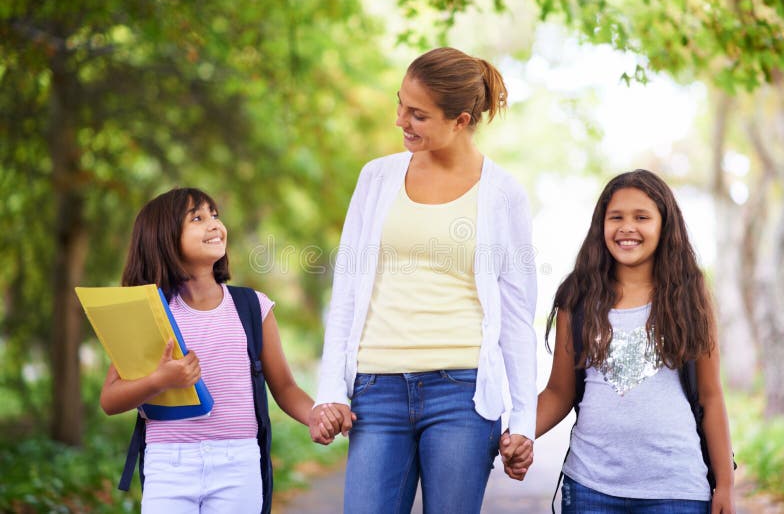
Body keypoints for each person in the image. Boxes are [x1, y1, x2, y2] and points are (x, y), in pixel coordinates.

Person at [308, 47, 538, 514]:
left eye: (417, 114)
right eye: (400, 104)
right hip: (377, 389)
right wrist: (331, 391)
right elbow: (347, 293)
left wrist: (523, 421)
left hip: (463, 394)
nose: (400, 121)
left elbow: (517, 314)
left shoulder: (503, 194)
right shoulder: (376, 178)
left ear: (460, 120)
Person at [502, 170, 736, 513]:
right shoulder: (578, 297)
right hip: (589, 489)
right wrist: (520, 433)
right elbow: (559, 392)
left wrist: (726, 486)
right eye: (616, 218)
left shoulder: (689, 296)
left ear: (664, 225)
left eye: (641, 217)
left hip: (677, 489)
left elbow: (711, 397)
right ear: (602, 226)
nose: (627, 227)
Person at [99, 187, 343, 513]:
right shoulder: (149, 314)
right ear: (164, 238)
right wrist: (159, 379)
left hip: (238, 463)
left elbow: (284, 387)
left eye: (214, 215)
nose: (214, 224)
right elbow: (110, 399)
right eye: (197, 218)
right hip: (169, 463)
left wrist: (315, 416)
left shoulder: (252, 307)